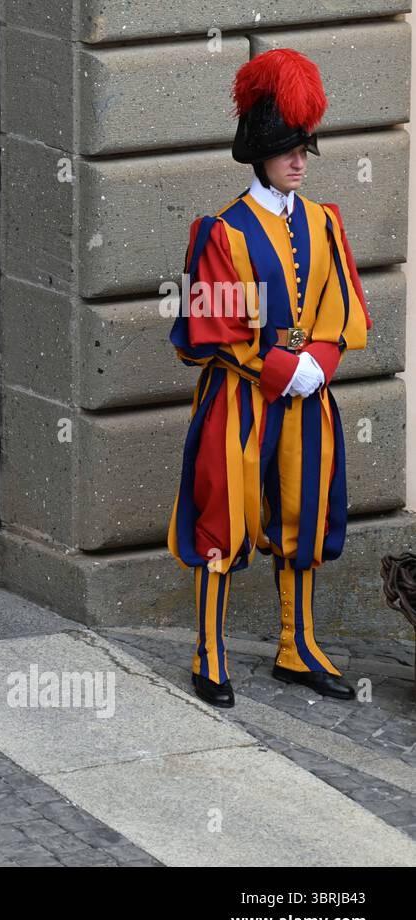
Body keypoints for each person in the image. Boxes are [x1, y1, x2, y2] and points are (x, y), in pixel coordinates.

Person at [167, 49, 370, 709]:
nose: (299, 159)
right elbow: (214, 331)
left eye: (304, 146)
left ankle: (298, 646)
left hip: (309, 400)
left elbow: (342, 312)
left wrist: (320, 363)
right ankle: (209, 652)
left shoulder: (324, 222)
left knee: (302, 515)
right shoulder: (222, 233)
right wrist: (286, 367)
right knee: (224, 519)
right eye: (287, 146)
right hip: (240, 401)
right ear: (260, 150)